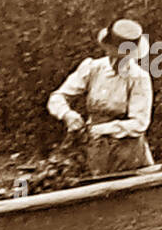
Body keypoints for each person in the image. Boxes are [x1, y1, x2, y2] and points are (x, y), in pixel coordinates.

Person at [47, 18, 155, 176]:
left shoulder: (138, 78)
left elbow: (140, 123)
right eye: (116, 51)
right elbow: (57, 97)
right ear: (108, 48)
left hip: (127, 153)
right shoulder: (93, 68)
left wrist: (101, 129)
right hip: (94, 149)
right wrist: (67, 114)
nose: (120, 58)